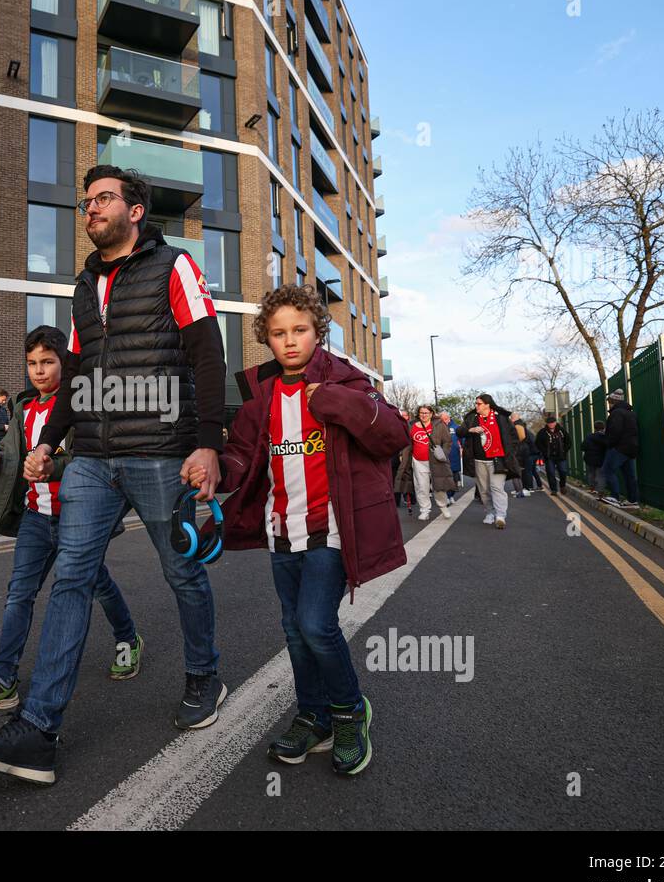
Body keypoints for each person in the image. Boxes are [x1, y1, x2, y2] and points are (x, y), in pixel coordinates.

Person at [0, 163, 226, 785]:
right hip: (93, 461)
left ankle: (203, 673)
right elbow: (78, 373)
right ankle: (38, 731)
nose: (91, 209)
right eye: (85, 202)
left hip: (161, 451)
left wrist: (208, 446)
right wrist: (50, 442)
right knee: (72, 578)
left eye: (103, 199)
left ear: (135, 210)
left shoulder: (174, 267)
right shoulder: (83, 286)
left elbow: (207, 353)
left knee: (181, 571)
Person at [191, 284, 407, 773]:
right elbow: (242, 458)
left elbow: (392, 435)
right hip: (281, 532)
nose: (290, 341)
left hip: (329, 531)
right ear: (266, 339)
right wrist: (212, 470)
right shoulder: (260, 399)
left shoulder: (347, 385)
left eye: (300, 330)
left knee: (315, 624)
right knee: (293, 630)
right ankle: (314, 717)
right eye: (279, 333)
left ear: (317, 332)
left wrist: (337, 403)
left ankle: (350, 711)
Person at [0, 326, 141, 714]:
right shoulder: (23, 408)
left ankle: (128, 640)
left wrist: (53, 466)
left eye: (48, 362)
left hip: (77, 518)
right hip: (36, 518)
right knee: (19, 594)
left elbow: (93, 460)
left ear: (65, 364)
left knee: (97, 586)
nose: (39, 371)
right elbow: (8, 458)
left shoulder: (82, 405)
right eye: (32, 363)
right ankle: (3, 679)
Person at [456, 393, 520, 529]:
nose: (476, 406)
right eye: (476, 403)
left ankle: (501, 516)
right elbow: (459, 432)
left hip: (498, 460)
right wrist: (470, 430)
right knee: (484, 490)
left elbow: (514, 437)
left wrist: (510, 453)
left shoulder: (501, 418)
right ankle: (490, 512)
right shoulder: (472, 418)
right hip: (479, 461)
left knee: (497, 487)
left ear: (487, 405)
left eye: (478, 404)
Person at [395, 405, 455, 520]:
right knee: (421, 487)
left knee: (438, 486)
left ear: (431, 414)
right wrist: (403, 454)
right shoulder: (411, 426)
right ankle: (425, 510)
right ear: (418, 414)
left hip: (435, 461)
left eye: (426, 413)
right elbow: (407, 443)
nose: (424, 415)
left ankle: (443, 506)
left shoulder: (439, 425)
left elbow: (447, 442)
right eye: (421, 413)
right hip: (418, 461)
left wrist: (444, 453)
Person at [601, 388, 640, 508]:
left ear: (614, 401)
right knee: (629, 475)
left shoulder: (616, 413)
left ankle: (614, 496)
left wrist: (608, 443)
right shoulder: (631, 413)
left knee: (607, 470)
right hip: (632, 448)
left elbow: (615, 431)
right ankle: (633, 501)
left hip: (619, 447)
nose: (609, 403)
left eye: (609, 401)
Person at [534, 415, 570, 495]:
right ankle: (554, 489)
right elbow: (538, 443)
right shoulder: (542, 432)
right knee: (551, 473)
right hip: (549, 457)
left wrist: (564, 451)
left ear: (555, 422)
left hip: (561, 456)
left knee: (563, 471)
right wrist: (544, 451)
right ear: (547, 424)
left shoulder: (562, 431)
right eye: (549, 423)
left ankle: (562, 485)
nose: (551, 424)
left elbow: (568, 441)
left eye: (552, 423)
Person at [507, 412, 536, 498]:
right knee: (522, 471)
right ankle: (523, 489)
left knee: (517, 471)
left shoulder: (517, 425)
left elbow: (521, 437)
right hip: (524, 451)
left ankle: (522, 490)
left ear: (512, 418)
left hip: (519, 451)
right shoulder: (521, 424)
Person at [440, 410, 462, 502]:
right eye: (443, 419)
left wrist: (462, 448)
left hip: (455, 457)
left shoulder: (456, 427)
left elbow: (462, 439)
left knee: (454, 479)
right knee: (445, 478)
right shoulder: (437, 427)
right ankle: (447, 496)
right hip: (443, 457)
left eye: (446, 418)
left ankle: (451, 495)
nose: (445, 421)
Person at [582, 420, 608, 493]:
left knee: (591, 474)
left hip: (589, 458)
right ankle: (600, 491)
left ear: (595, 428)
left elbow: (583, 447)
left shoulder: (589, 437)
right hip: (601, 459)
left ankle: (592, 489)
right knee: (600, 475)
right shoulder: (605, 437)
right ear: (603, 428)